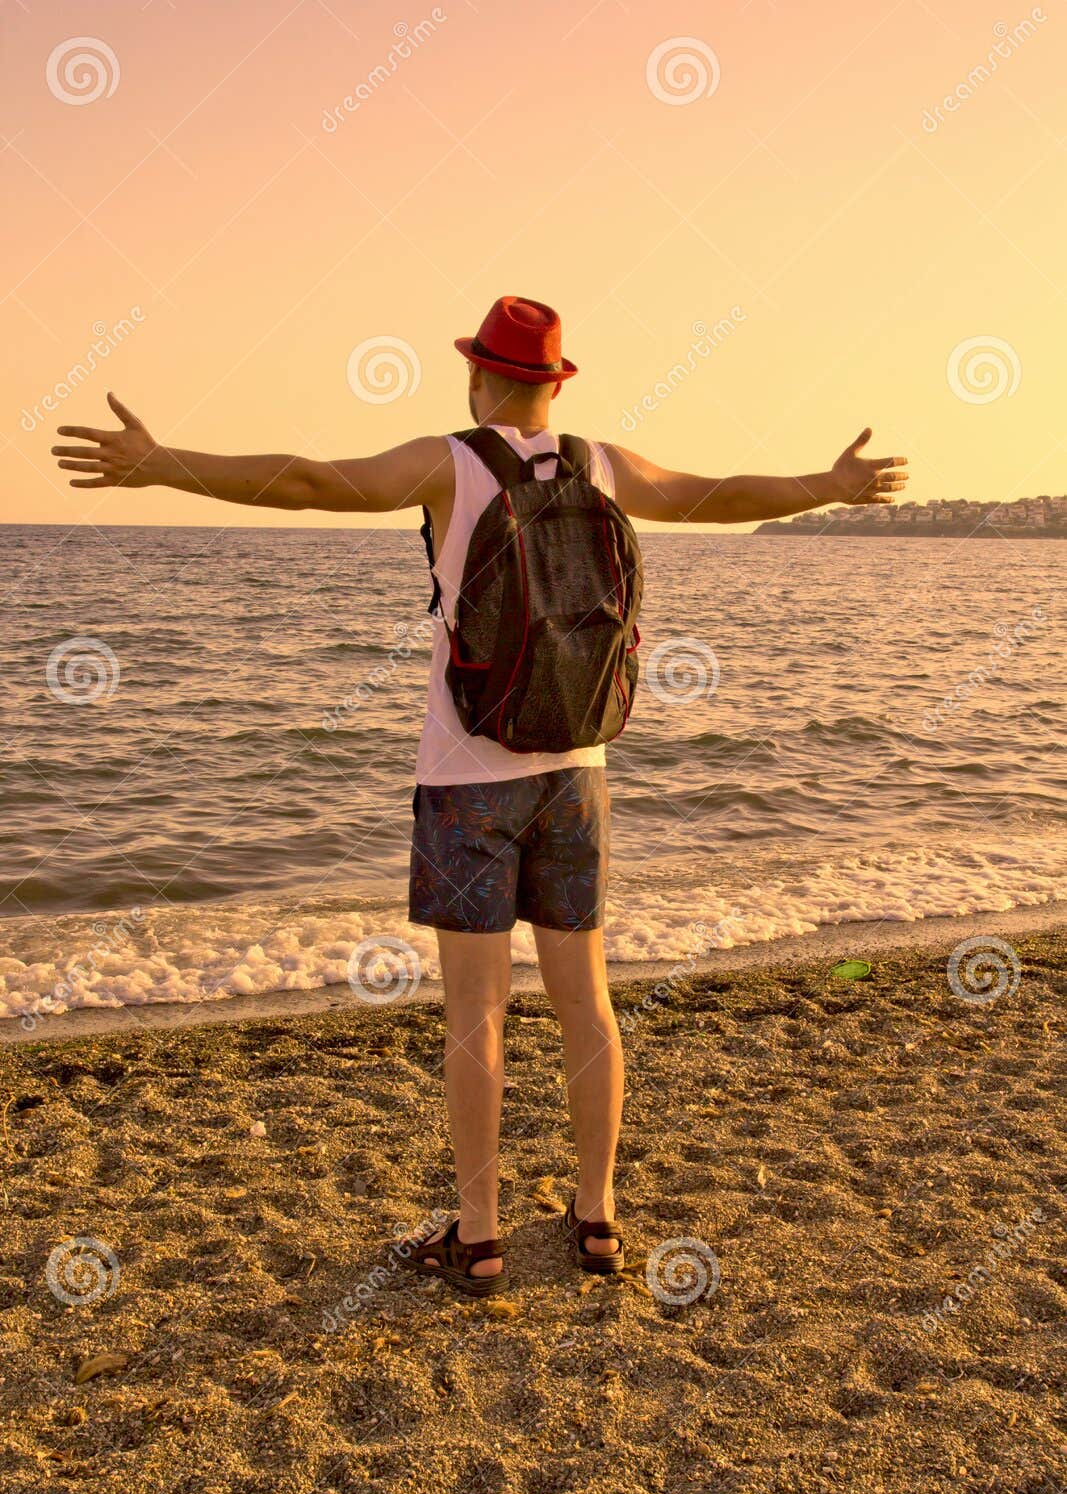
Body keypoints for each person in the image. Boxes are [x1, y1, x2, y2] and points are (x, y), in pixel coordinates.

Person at [53, 294, 908, 1296]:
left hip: (467, 779)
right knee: (586, 1001)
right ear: (554, 384)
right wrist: (828, 486)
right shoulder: (602, 465)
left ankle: (480, 1234)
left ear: (476, 375)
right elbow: (715, 492)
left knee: (477, 1011)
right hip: (577, 771)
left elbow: (306, 480)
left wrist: (162, 463)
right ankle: (596, 1218)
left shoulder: (447, 466)